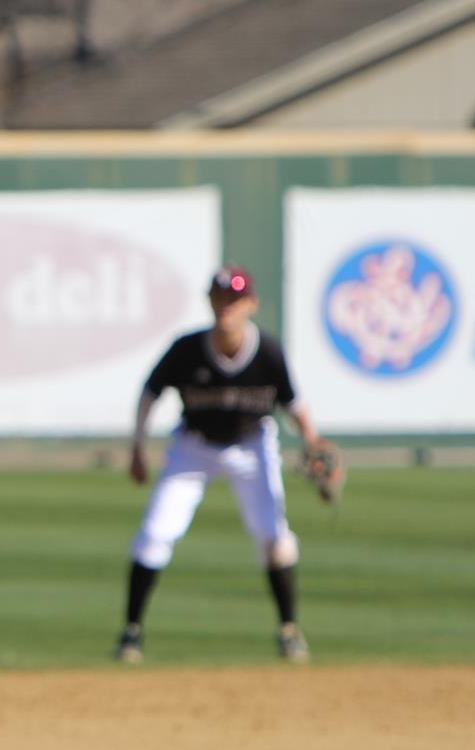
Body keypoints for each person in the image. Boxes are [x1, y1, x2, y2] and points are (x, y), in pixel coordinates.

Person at [116, 265, 323, 664]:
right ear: (209, 301)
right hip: (193, 447)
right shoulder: (187, 349)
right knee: (155, 533)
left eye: (234, 298)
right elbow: (149, 392)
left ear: (251, 304)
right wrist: (138, 446)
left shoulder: (267, 352)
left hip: (252, 446)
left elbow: (294, 405)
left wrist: (313, 440)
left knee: (274, 536)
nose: (225, 306)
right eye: (219, 297)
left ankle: (289, 631)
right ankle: (131, 633)